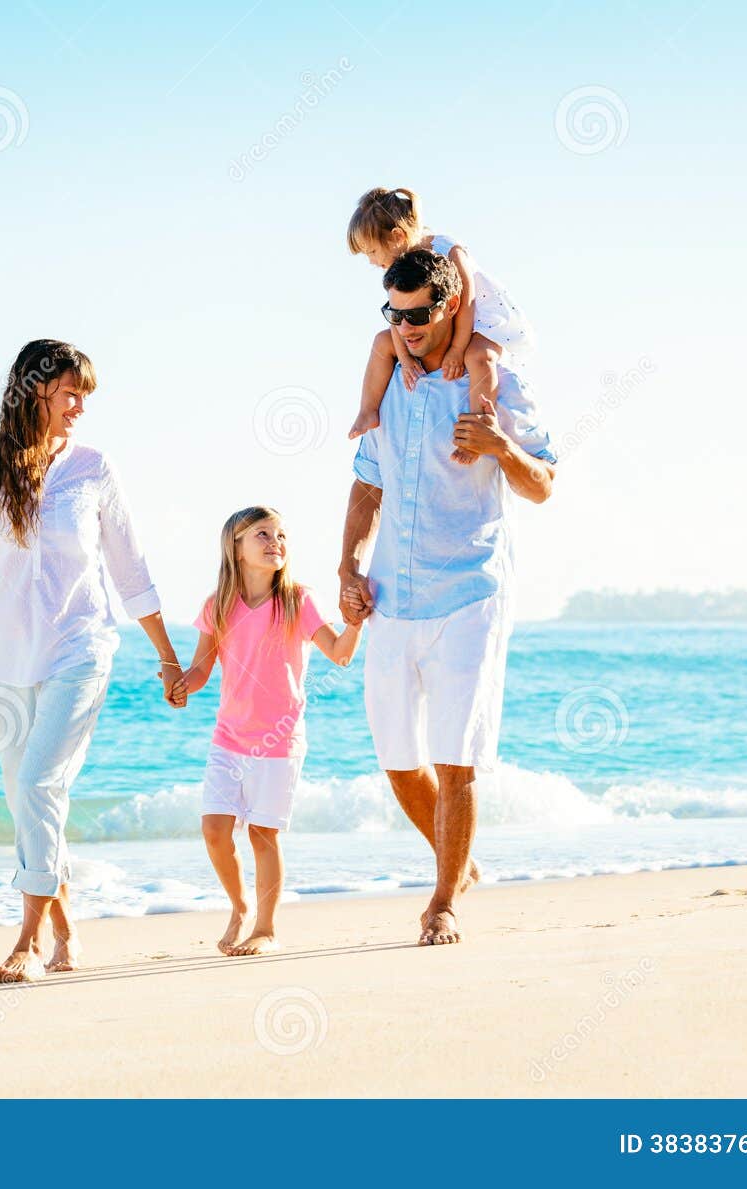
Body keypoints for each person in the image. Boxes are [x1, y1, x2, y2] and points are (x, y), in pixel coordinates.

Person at [0, 339, 184, 983]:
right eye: (71, 394)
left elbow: (130, 568)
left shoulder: (94, 468)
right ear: (34, 390)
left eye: (83, 397)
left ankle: (28, 941)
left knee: (39, 785)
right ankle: (67, 930)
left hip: (80, 650)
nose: (79, 408)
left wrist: (167, 657)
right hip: (3, 660)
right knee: (26, 799)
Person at [338, 250, 556, 946]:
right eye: (394, 315)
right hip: (392, 598)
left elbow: (543, 484)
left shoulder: (496, 378)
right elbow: (367, 482)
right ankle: (459, 862)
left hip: (469, 593)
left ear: (450, 304)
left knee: (456, 759)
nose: (406, 328)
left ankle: (442, 903)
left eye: (419, 315)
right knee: (400, 763)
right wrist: (348, 566)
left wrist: (500, 446)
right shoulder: (387, 382)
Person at [169, 506, 360, 956]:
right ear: (235, 547)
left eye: (281, 535)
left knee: (262, 835)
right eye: (262, 534)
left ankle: (266, 928)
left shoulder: (297, 600)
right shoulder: (217, 605)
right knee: (214, 831)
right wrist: (181, 685)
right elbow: (201, 670)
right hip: (228, 738)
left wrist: (356, 622)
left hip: (279, 743)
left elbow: (340, 654)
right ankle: (239, 907)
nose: (276, 542)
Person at [344, 186, 536, 459]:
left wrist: (457, 349)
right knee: (381, 342)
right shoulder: (400, 269)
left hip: (482, 319)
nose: (372, 261)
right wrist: (405, 360)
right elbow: (398, 317)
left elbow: (466, 303)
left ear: (397, 236)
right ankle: (368, 410)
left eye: (372, 251)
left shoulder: (448, 249)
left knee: (478, 357)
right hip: (435, 319)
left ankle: (477, 430)